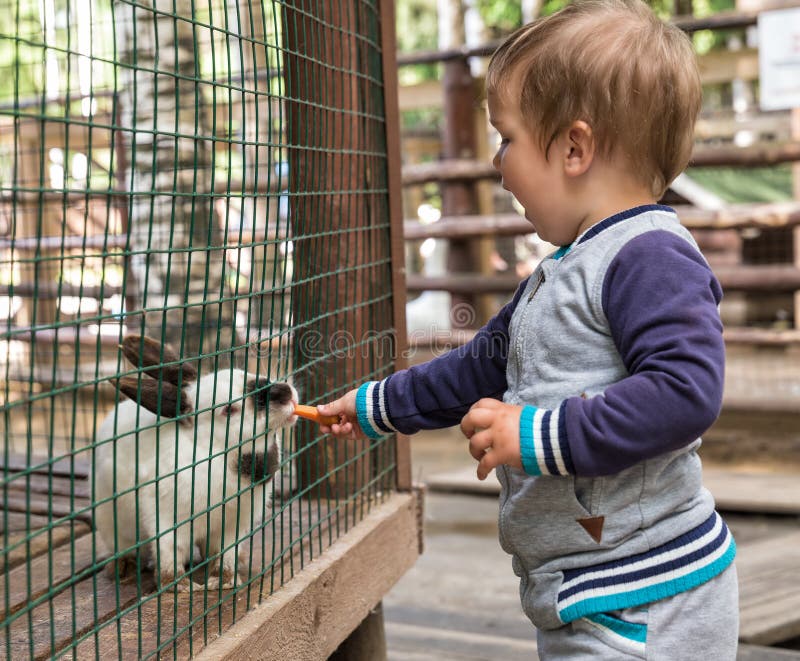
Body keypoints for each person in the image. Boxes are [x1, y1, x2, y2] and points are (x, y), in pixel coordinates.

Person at [319, 0, 738, 657]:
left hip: (646, 597)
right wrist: (377, 406)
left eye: (507, 136)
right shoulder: (565, 270)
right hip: (593, 589)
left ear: (574, 147)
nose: (496, 161)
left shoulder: (649, 254)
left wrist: (540, 433)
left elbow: (686, 391)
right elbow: (480, 367)